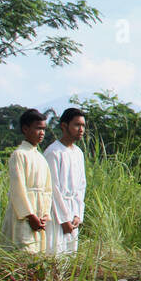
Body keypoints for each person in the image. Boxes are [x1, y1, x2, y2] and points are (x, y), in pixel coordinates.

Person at [1, 108, 51, 254]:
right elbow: (18, 189)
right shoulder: (19, 155)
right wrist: (30, 216)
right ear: (25, 129)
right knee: (22, 251)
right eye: (38, 128)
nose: (42, 132)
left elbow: (48, 190)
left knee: (36, 255)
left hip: (39, 212)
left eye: (43, 129)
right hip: (23, 215)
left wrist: (44, 215)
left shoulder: (41, 158)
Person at [44, 108, 87, 257]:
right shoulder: (53, 152)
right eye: (77, 125)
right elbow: (53, 189)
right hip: (57, 213)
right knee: (55, 253)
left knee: (70, 256)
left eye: (83, 126)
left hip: (73, 212)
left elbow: (81, 187)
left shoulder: (78, 153)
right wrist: (63, 219)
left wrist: (77, 214)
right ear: (64, 126)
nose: (81, 129)